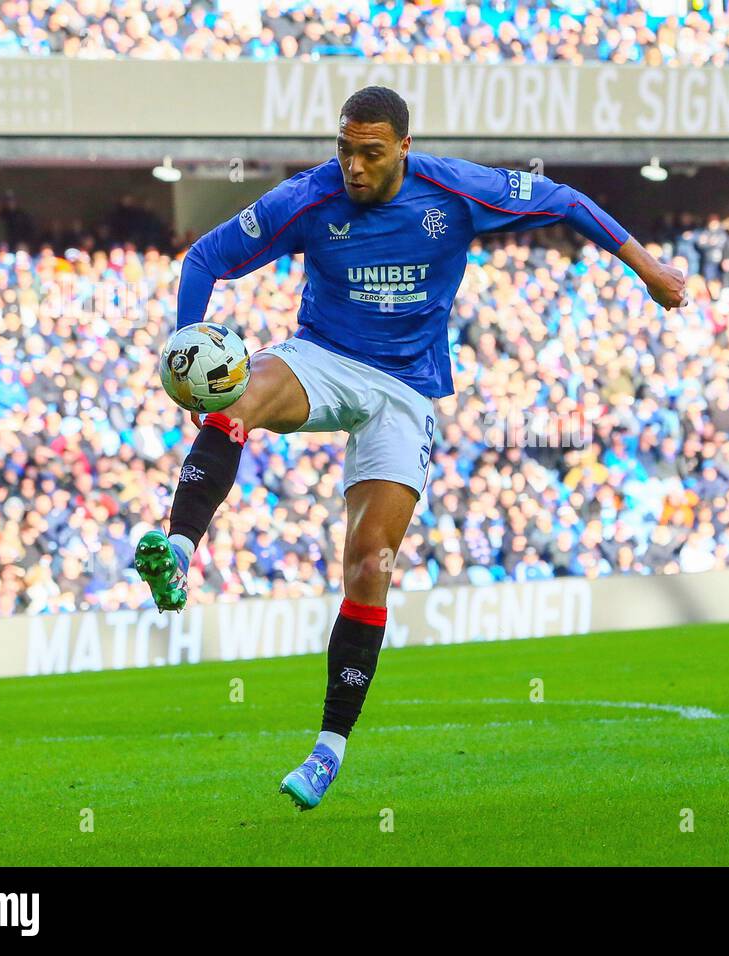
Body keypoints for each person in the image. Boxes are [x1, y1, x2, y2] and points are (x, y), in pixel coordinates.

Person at [133, 86, 687, 810]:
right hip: (323, 356)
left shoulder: (454, 189)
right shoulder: (309, 197)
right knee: (238, 394)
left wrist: (646, 267)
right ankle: (177, 548)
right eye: (344, 150)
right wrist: (186, 343)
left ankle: (329, 747)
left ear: (403, 146)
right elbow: (206, 258)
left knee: (370, 563)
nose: (354, 168)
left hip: (406, 388)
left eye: (369, 153)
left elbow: (565, 200)